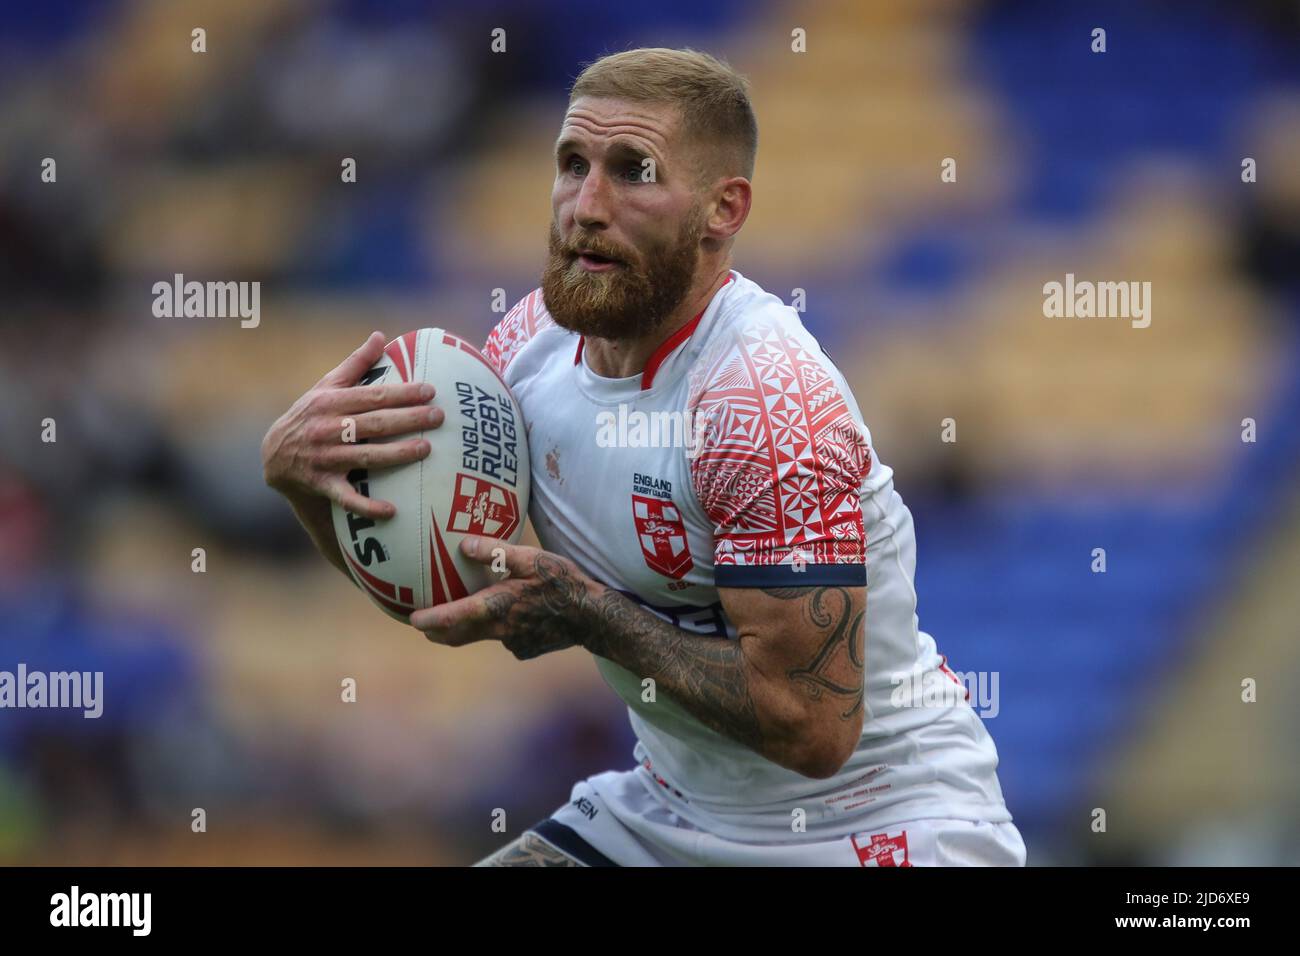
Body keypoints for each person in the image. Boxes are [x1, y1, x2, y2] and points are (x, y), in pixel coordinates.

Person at [261, 47, 1025, 867]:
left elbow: (813, 728)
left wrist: (592, 616)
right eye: (572, 165)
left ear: (723, 209)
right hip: (669, 816)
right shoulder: (523, 354)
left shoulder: (765, 403)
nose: (586, 207)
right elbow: (443, 595)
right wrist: (307, 487)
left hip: (878, 825)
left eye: (634, 171)